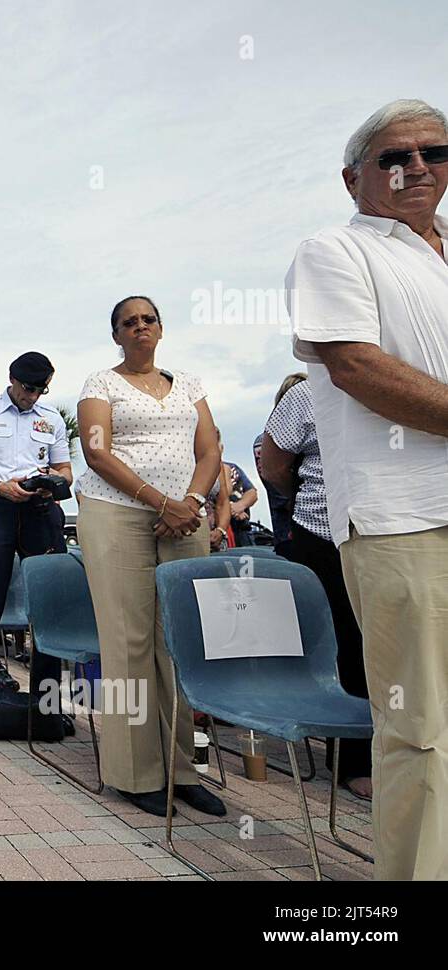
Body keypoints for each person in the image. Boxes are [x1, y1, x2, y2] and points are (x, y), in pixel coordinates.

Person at [286, 98, 448, 879]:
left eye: (433, 152)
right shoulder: (335, 250)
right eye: (394, 156)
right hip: (403, 515)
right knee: (421, 727)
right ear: (355, 177)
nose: (416, 166)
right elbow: (354, 366)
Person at [74, 296, 226, 818]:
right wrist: (160, 501)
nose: (140, 327)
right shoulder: (101, 384)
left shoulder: (189, 384)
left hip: (185, 514)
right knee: (129, 639)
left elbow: (210, 450)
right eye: (128, 322)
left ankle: (182, 769)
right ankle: (135, 773)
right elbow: (97, 450)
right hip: (118, 511)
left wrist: (191, 503)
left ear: (161, 328)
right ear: (116, 334)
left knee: (179, 642)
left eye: (148, 319)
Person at [259, 379, 372, 799]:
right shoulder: (306, 394)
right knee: (346, 644)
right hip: (324, 534)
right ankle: (354, 760)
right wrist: (306, 497)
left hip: (394, 526)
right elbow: (272, 467)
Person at [0, 353, 73, 737]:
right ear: (12, 380)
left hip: (39, 510)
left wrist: (50, 481)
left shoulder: (52, 418)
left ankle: (47, 705)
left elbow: (66, 470)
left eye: (41, 390)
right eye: (27, 388)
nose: (33, 396)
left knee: (50, 605)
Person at [256, 373, 307, 557]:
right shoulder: (269, 442)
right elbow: (273, 475)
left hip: (287, 530)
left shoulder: (263, 441)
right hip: (293, 526)